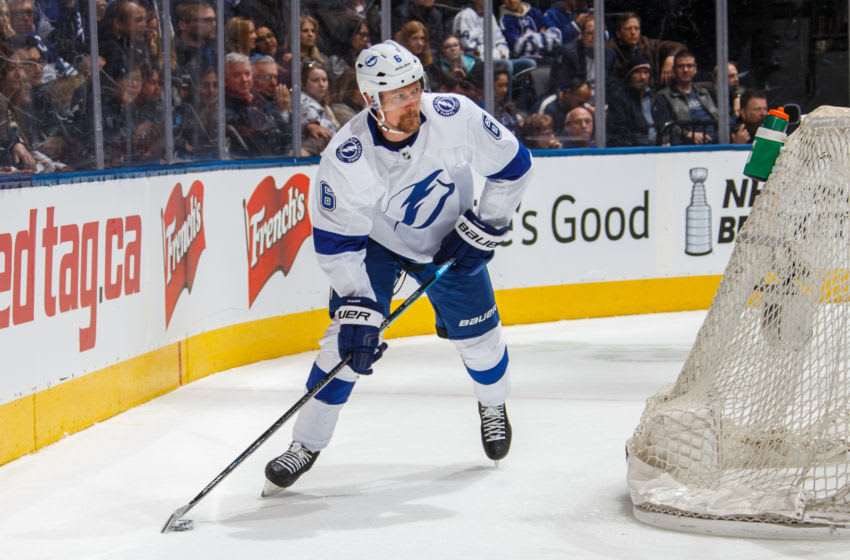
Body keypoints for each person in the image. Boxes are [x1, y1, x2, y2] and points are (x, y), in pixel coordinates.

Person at [262, 40, 533, 492]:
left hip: (448, 239)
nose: (413, 102)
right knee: (344, 346)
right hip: (377, 243)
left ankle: (492, 405)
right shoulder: (346, 157)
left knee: (482, 342)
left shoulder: (454, 115)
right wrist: (359, 307)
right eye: (399, 96)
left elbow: (514, 165)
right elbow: (337, 243)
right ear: (372, 101)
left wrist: (486, 224)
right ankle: (305, 444)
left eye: (415, 88)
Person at [223, 52, 291, 157]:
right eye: (236, 75)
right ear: (224, 81)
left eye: (247, 74)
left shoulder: (259, 100)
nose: (244, 80)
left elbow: (287, 136)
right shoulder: (224, 108)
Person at [606, 11, 685, 90]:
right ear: (618, 33)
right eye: (628, 29)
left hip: (649, 92)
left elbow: (679, 46)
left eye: (636, 28)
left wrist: (671, 58)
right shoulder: (609, 49)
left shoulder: (647, 44)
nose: (633, 32)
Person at [548, 14, 619, 99]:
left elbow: (613, 85)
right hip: (578, 99)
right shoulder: (568, 53)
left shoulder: (609, 55)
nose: (594, 37)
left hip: (602, 99)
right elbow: (564, 87)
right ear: (582, 35)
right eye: (589, 33)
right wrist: (586, 105)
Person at [656, 51, 719, 145]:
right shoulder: (664, 95)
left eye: (689, 66)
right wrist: (688, 134)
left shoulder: (707, 89)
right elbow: (665, 124)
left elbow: (734, 88)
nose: (685, 70)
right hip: (688, 144)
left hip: (717, 142)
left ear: (695, 69)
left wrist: (737, 96)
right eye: (681, 66)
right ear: (674, 70)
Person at [607, 54, 670, 147]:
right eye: (637, 72)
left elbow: (668, 126)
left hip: (660, 150)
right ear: (629, 75)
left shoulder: (658, 99)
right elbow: (618, 134)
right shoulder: (619, 100)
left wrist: (667, 140)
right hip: (635, 150)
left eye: (646, 72)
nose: (643, 77)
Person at [299, 60, 339, 156]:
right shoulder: (302, 100)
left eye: (324, 80)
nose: (321, 84)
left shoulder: (324, 105)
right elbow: (314, 128)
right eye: (315, 80)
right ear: (304, 83)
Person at [395, 19, 442, 92]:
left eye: (422, 39)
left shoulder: (431, 63)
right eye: (415, 39)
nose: (420, 43)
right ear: (405, 40)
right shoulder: (397, 63)